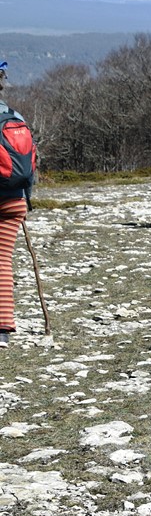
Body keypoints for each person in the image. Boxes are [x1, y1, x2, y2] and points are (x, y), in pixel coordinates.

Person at [0, 61, 35, 347]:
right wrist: (28, 198)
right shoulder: (15, 116)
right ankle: (4, 325)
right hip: (16, 200)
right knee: (3, 260)